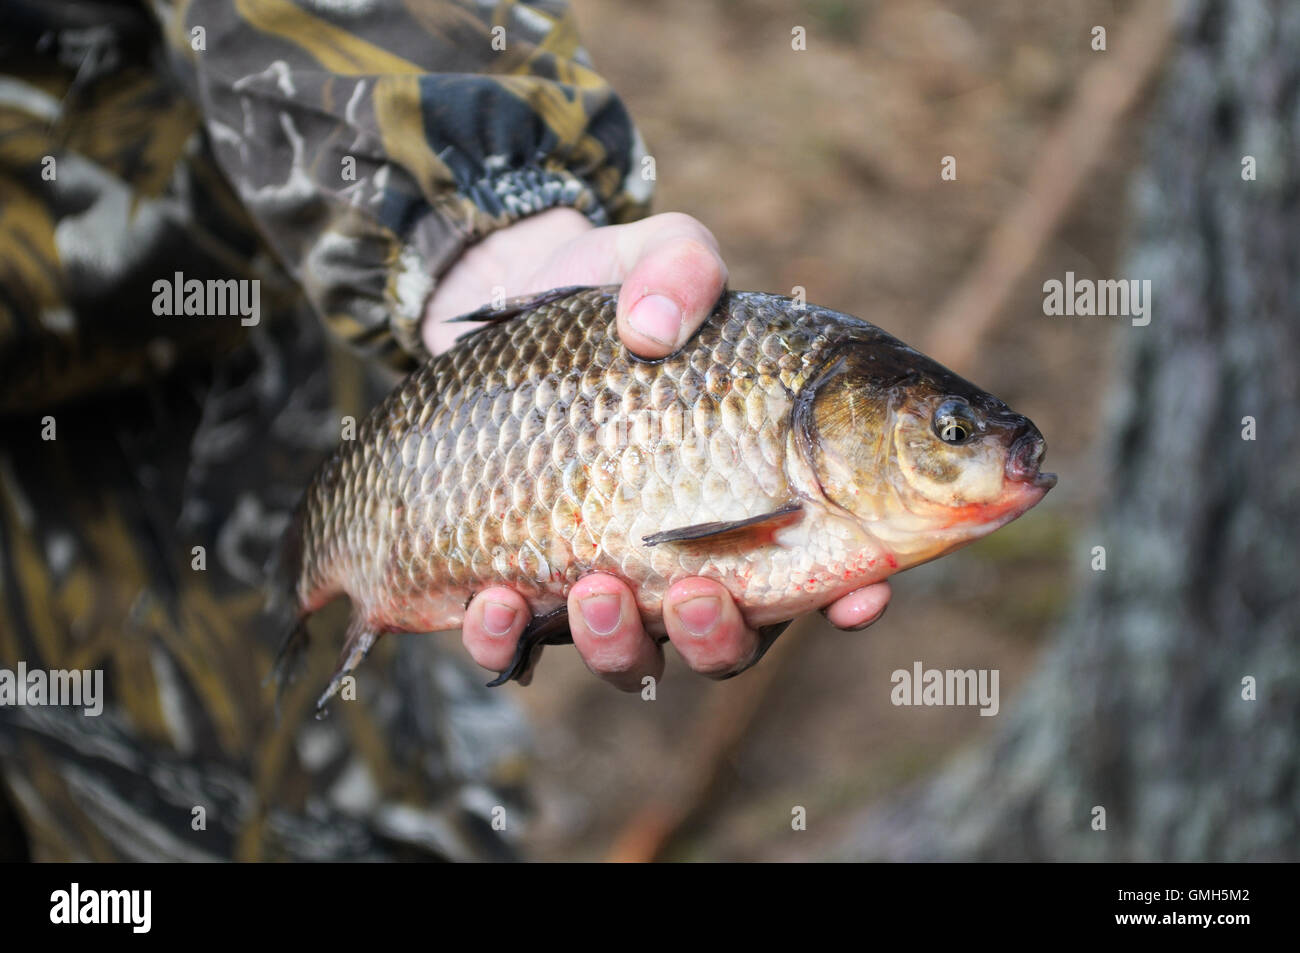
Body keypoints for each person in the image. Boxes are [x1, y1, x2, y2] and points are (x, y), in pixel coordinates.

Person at [0, 0, 888, 861]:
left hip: (162, 377)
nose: (980, 452)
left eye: (952, 433)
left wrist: (476, 222)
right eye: (954, 434)